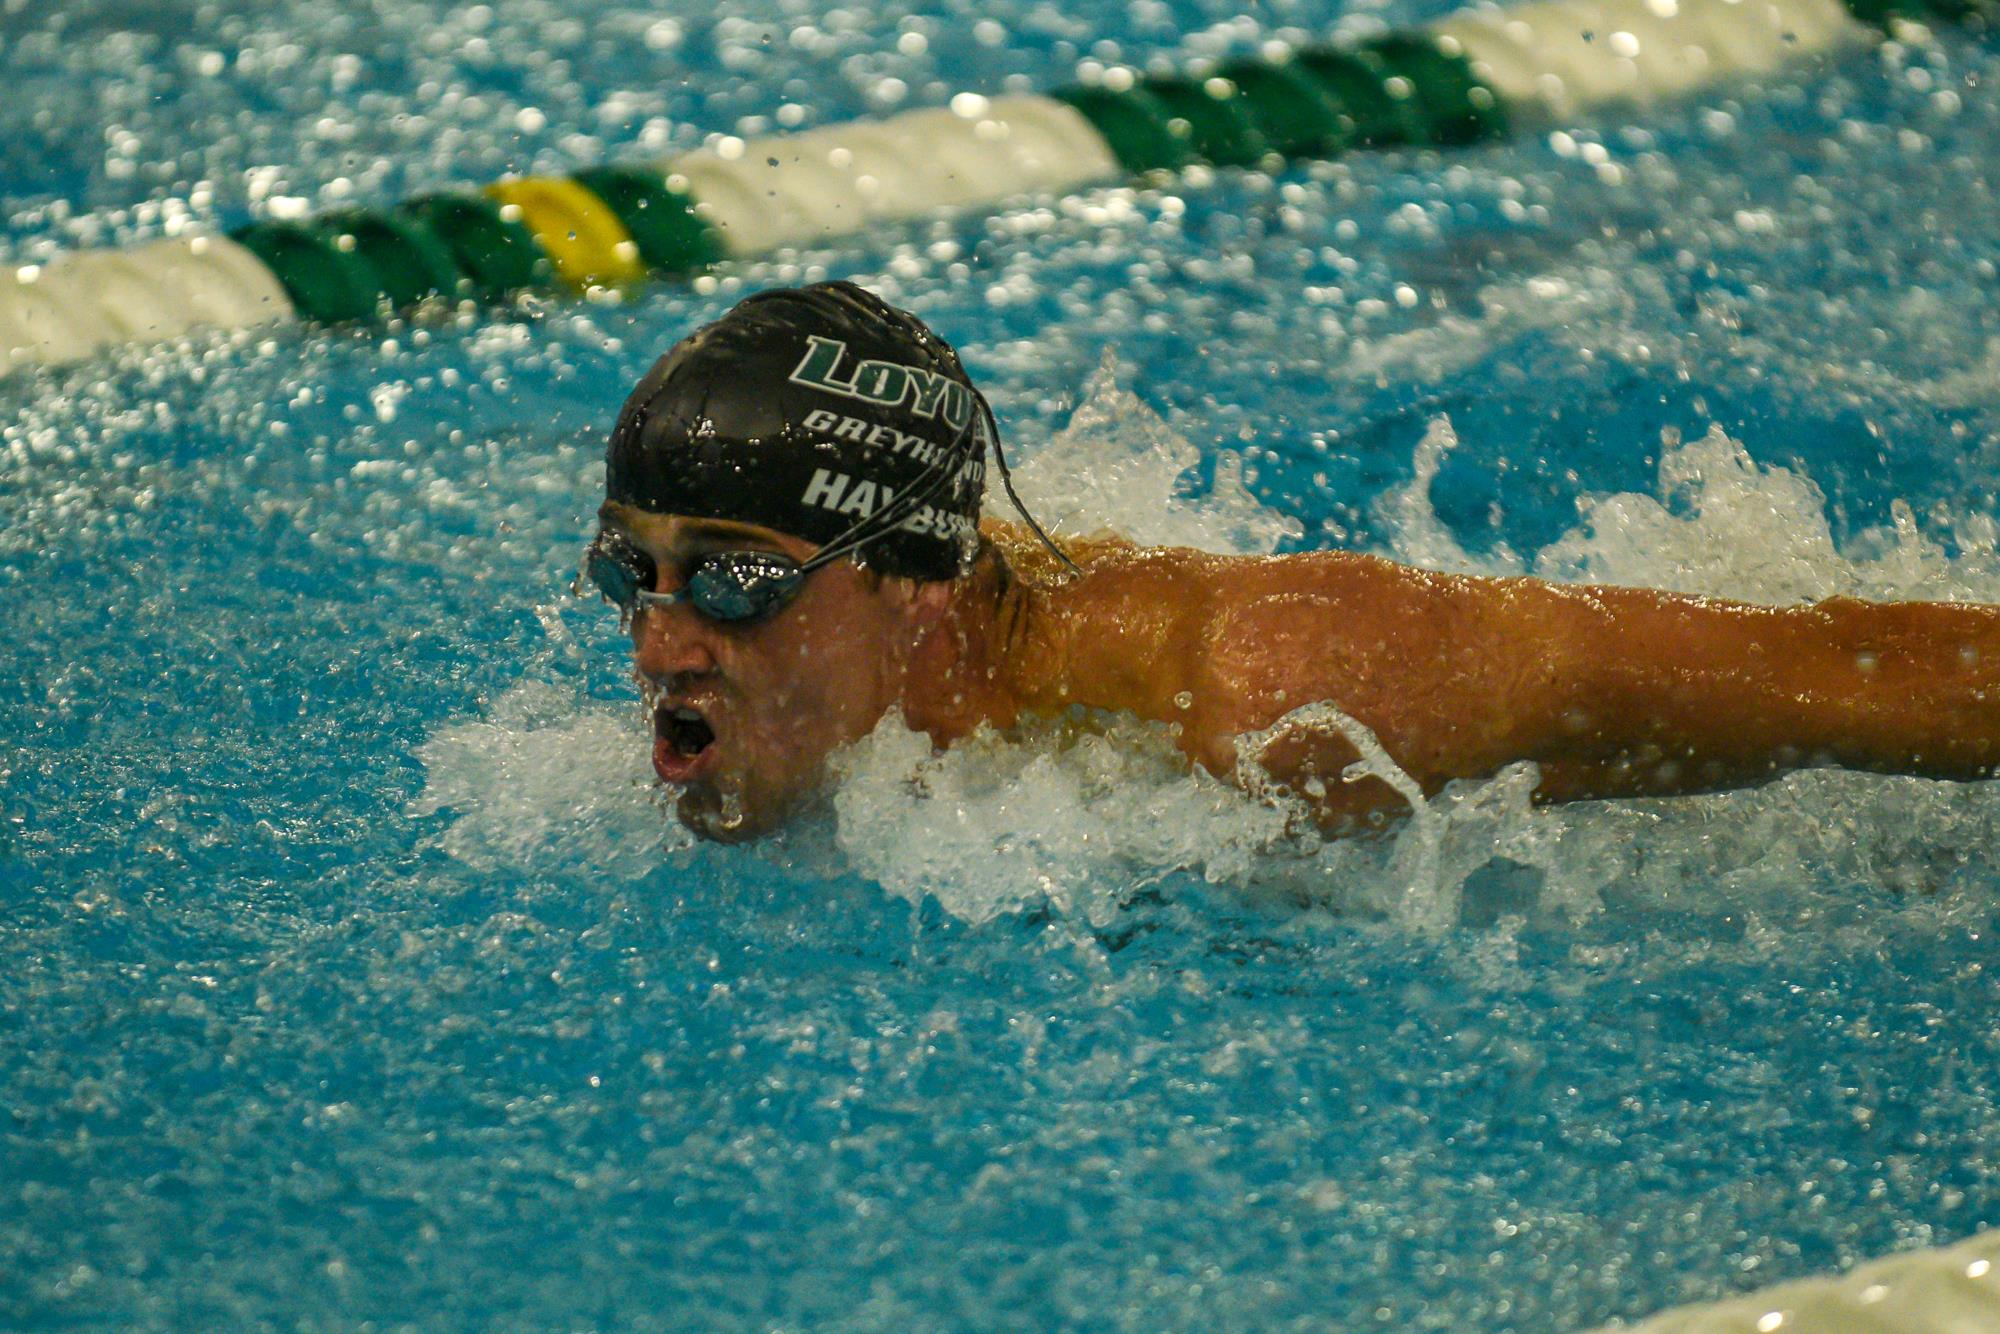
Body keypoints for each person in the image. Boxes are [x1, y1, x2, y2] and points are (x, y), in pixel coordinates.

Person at [584, 280, 2000, 842]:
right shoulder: (845, 688)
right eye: (630, 573)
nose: (659, 645)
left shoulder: (1285, 693)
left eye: (732, 581)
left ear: (918, 579)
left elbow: (1828, 674)